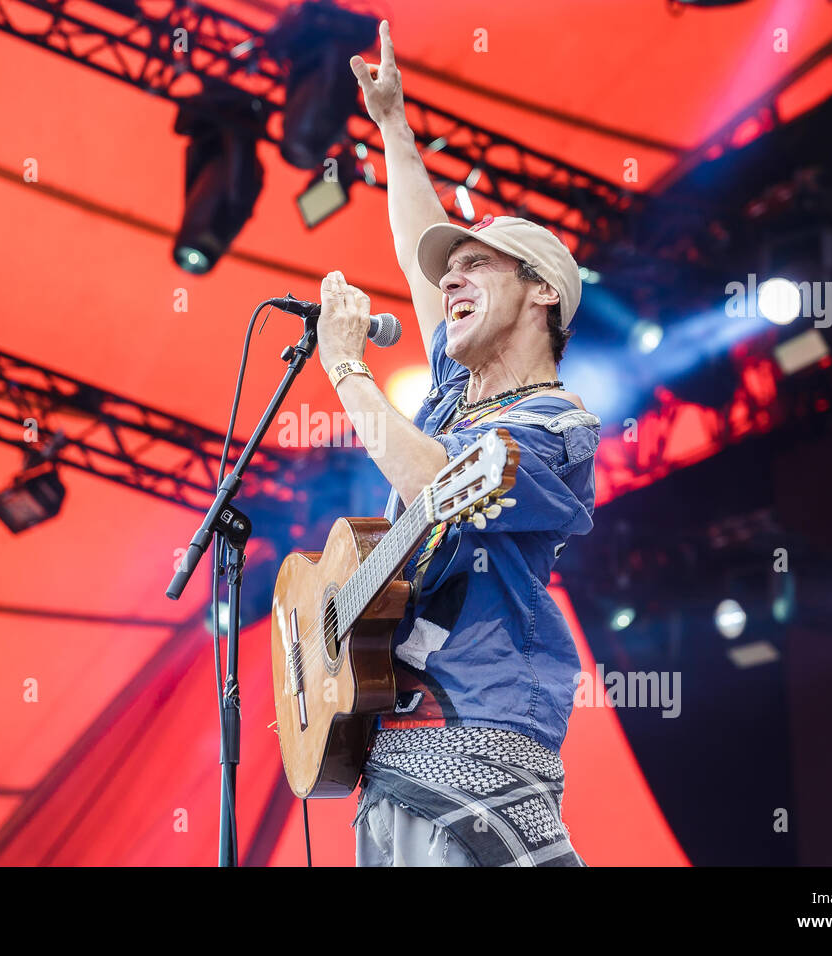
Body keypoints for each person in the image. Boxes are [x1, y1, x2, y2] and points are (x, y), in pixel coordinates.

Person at [314, 20, 600, 866]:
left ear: (543, 291)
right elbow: (414, 252)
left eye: (477, 267)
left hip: (482, 729)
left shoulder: (555, 424)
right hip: (389, 755)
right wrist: (394, 126)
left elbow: (439, 481)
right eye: (453, 272)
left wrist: (347, 371)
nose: (450, 281)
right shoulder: (450, 393)